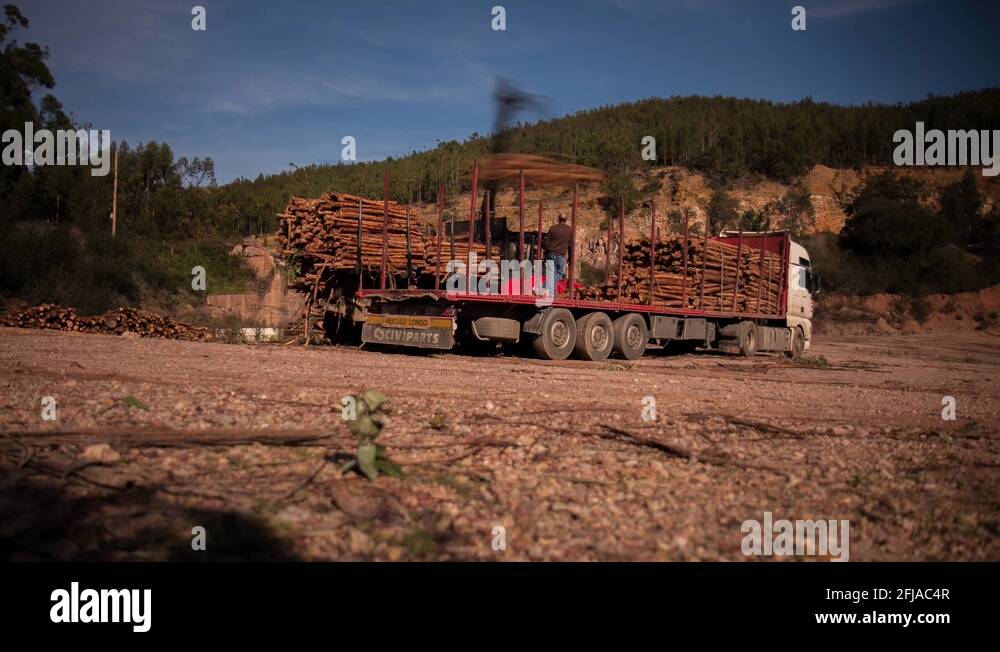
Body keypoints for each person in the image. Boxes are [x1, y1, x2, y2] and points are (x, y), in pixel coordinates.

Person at [544, 214, 572, 282]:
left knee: (551, 274)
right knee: (559, 273)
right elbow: (570, 245)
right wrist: (570, 257)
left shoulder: (552, 228)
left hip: (550, 254)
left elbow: (546, 242)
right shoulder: (570, 230)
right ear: (566, 220)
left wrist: (547, 251)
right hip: (560, 255)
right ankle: (544, 286)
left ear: (558, 219)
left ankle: (548, 290)